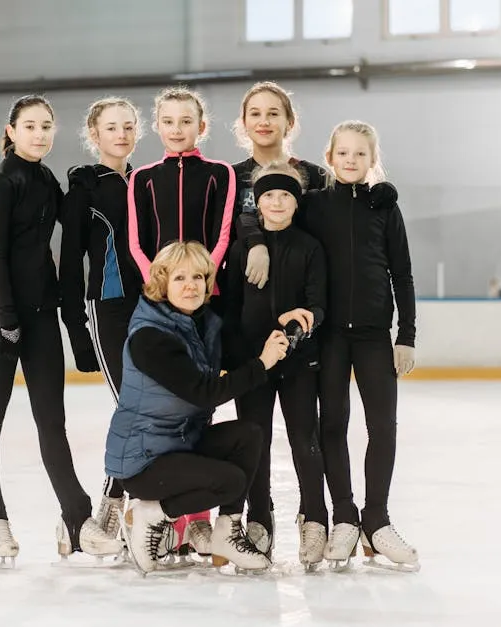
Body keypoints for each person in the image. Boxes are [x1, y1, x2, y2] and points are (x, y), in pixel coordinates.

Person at [236, 120, 419, 571]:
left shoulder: (384, 208)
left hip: (375, 335)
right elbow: (265, 213)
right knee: (330, 426)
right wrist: (256, 242)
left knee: (383, 426)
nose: (351, 160)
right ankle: (344, 517)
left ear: (372, 159)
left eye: (360, 154)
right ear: (330, 158)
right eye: (343, 153)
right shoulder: (314, 205)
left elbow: (403, 273)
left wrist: (406, 334)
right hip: (330, 335)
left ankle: (377, 520)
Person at [0, 94, 121, 564]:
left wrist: (86, 181)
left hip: (40, 315)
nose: (39, 134)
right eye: (30, 126)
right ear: (11, 131)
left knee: (51, 419)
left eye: (47, 127)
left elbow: (71, 217)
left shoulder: (43, 177)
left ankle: (76, 518)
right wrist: (8, 318)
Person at [104, 241, 289, 574]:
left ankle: (226, 534)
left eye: (198, 277)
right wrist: (262, 363)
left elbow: (235, 358)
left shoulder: (200, 323)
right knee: (230, 481)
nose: (190, 285)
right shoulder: (151, 337)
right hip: (144, 461)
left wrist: (280, 329)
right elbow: (204, 393)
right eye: (179, 278)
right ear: (162, 283)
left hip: (180, 443)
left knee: (248, 435)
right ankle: (152, 513)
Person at [126, 86, 237, 554]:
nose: (176, 129)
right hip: (159, 301)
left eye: (186, 121)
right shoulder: (142, 179)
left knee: (200, 404)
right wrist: (164, 286)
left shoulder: (220, 174)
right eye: (168, 121)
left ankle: (197, 519)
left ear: (201, 126)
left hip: (205, 302)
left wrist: (198, 284)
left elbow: (223, 233)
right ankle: (165, 516)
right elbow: (137, 240)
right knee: (165, 406)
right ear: (158, 126)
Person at [222, 161, 329, 570]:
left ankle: (314, 515)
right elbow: (229, 310)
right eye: (269, 195)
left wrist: (300, 328)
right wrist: (232, 357)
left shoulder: (310, 248)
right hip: (253, 362)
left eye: (286, 195)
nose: (278, 202)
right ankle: (259, 516)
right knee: (255, 438)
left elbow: (319, 304)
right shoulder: (242, 248)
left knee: (305, 437)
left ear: (297, 203)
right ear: (258, 202)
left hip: (298, 360)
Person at [59, 97, 143, 539]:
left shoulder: (146, 182)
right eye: (112, 128)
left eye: (128, 126)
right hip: (107, 306)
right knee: (131, 405)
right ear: (95, 135)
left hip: (150, 306)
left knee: (150, 405)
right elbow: (69, 265)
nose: (121, 135)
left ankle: (130, 500)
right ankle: (112, 501)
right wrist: (76, 330)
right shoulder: (84, 188)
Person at [229, 81, 327, 292]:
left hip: (301, 292)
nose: (263, 122)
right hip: (247, 295)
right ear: (244, 123)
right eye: (255, 114)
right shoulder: (230, 177)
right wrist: (256, 242)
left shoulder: (315, 177)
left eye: (273, 114)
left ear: (290, 122)